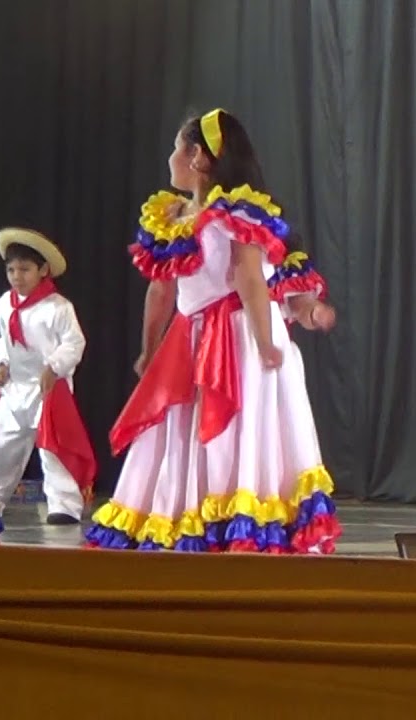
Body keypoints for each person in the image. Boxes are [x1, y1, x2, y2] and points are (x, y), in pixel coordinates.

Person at [86, 108, 340, 553]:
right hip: (193, 338)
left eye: (175, 148)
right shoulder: (171, 217)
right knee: (191, 426)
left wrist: (264, 342)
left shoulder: (236, 213)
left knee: (242, 428)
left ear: (198, 156)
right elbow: (160, 293)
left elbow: (249, 277)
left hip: (240, 335)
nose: (170, 158)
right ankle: (200, 513)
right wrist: (150, 352)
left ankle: (242, 516)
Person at [0, 228, 94, 537]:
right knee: (2, 446)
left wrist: (54, 366)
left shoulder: (57, 307)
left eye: (24, 269)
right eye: (11, 269)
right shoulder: (4, 304)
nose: (16, 276)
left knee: (52, 448)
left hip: (48, 389)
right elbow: (5, 342)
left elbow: (74, 343)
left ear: (43, 270)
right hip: (16, 389)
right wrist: (1, 364)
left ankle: (64, 505)